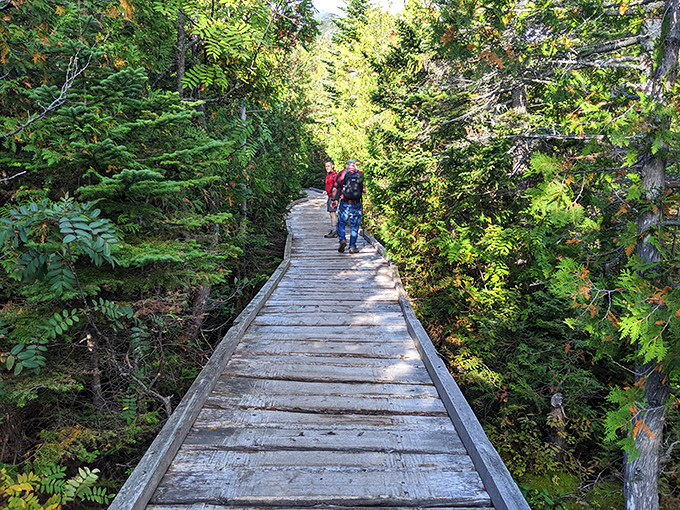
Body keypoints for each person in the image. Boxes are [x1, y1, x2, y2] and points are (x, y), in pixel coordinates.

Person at [330, 159, 364, 254]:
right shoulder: (360, 174)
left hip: (345, 202)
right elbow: (364, 189)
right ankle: (352, 247)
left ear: (347, 166)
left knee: (341, 223)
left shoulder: (342, 174)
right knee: (355, 225)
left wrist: (334, 200)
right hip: (356, 203)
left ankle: (342, 240)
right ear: (355, 166)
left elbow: (335, 189)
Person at [323, 159, 338, 238]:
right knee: (332, 213)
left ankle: (334, 231)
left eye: (329, 166)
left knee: (333, 214)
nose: (327, 167)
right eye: (326, 166)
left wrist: (334, 199)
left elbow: (336, 187)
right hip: (330, 196)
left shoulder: (334, 175)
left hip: (333, 197)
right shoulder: (329, 175)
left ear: (332, 166)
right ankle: (334, 230)